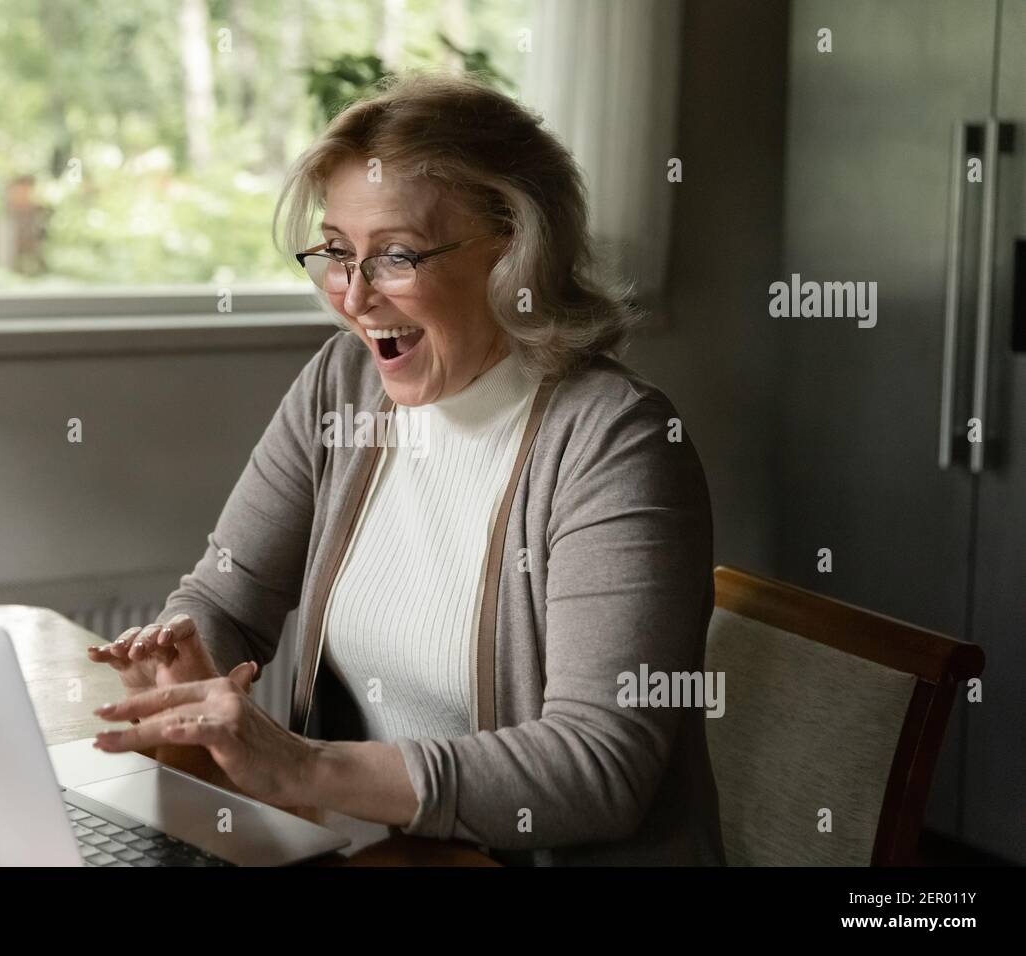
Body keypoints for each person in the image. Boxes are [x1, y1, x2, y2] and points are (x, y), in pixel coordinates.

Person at [88, 70, 725, 866]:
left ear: (514, 252)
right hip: (357, 852)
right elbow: (224, 595)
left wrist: (302, 765)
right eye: (335, 252)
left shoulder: (616, 444)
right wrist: (185, 669)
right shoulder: (342, 386)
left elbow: (597, 767)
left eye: (394, 256)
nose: (352, 297)